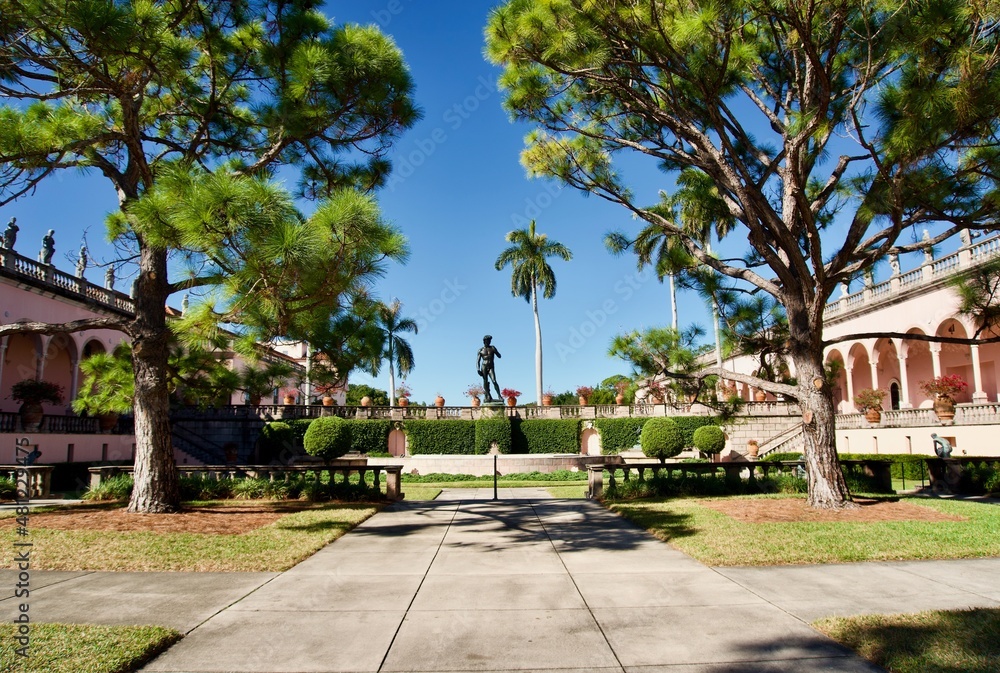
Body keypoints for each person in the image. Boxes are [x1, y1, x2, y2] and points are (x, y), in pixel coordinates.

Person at [476, 334, 502, 402]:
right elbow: (477, 361)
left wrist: (496, 352)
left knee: (494, 381)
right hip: (484, 366)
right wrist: (478, 369)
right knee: (485, 382)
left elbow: (499, 356)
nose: (489, 342)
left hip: (491, 366)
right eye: (488, 341)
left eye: (490, 341)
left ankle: (499, 396)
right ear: (484, 341)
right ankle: (488, 396)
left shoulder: (492, 348)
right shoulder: (480, 350)